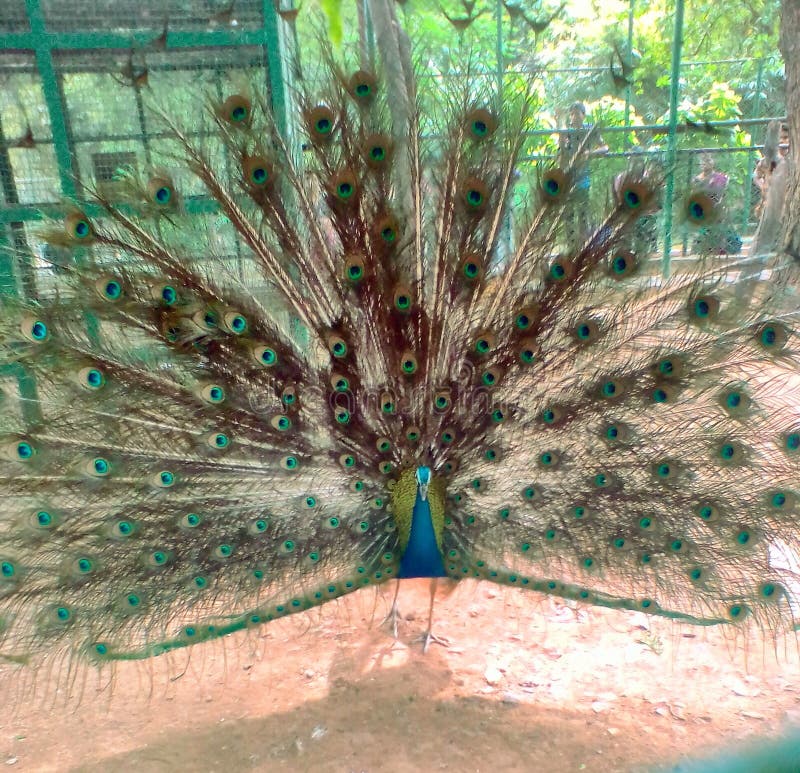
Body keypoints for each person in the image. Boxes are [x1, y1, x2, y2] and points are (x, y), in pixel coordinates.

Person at [558, 102, 608, 247]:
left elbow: (605, 147)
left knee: (583, 214)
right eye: (571, 114)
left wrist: (589, 153)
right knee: (568, 215)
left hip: (583, 178)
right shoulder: (568, 131)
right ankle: (571, 245)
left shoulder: (590, 129)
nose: (574, 117)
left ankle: (582, 245)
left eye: (577, 113)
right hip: (568, 178)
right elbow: (562, 149)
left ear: (583, 115)